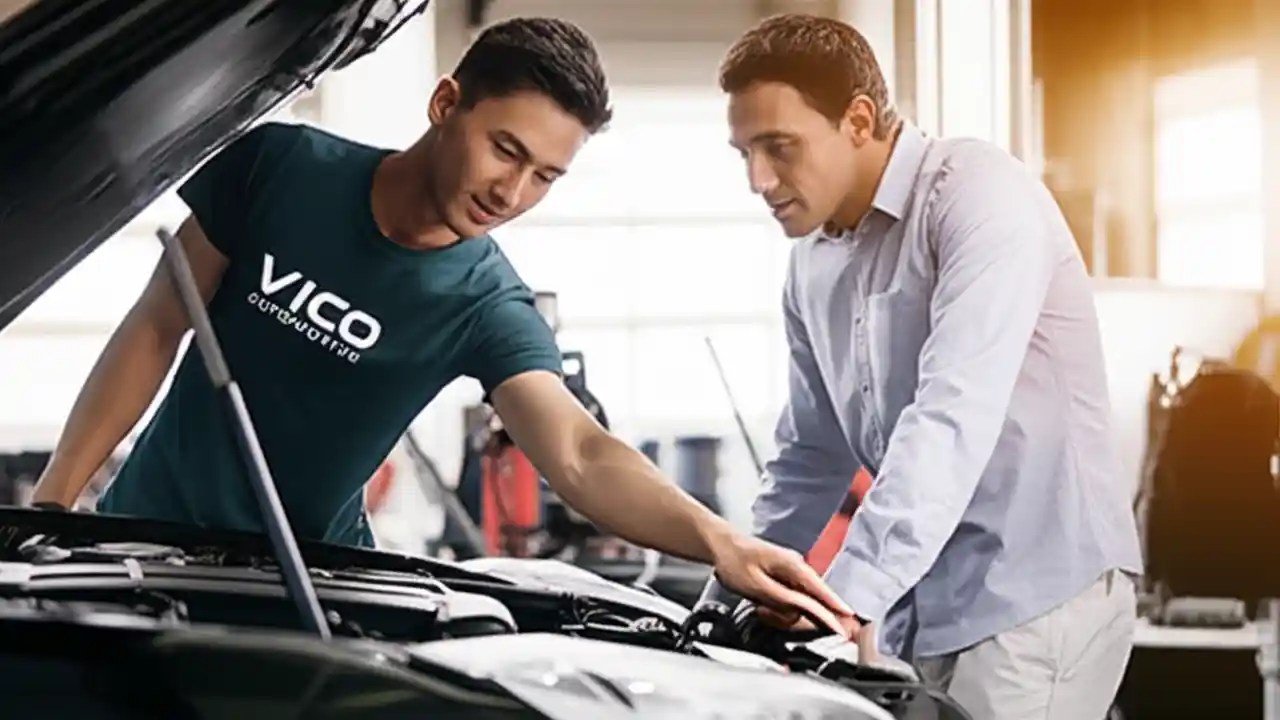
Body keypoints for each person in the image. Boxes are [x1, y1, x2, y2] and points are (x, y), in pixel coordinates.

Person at [29, 16, 855, 635]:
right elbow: (154, 327)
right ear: (444, 103)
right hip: (138, 542)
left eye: (545, 177)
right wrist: (54, 507)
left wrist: (717, 540)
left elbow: (578, 452)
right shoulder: (277, 167)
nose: (513, 193)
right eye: (505, 149)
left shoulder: (486, 302)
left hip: (308, 586)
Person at [698, 13, 1143, 718]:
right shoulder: (811, 264)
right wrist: (722, 605)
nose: (758, 178)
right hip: (918, 605)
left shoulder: (978, 197)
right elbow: (808, 458)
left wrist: (838, 600)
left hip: (1031, 602)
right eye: (744, 151)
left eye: (779, 147)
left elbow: (950, 419)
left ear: (859, 118)